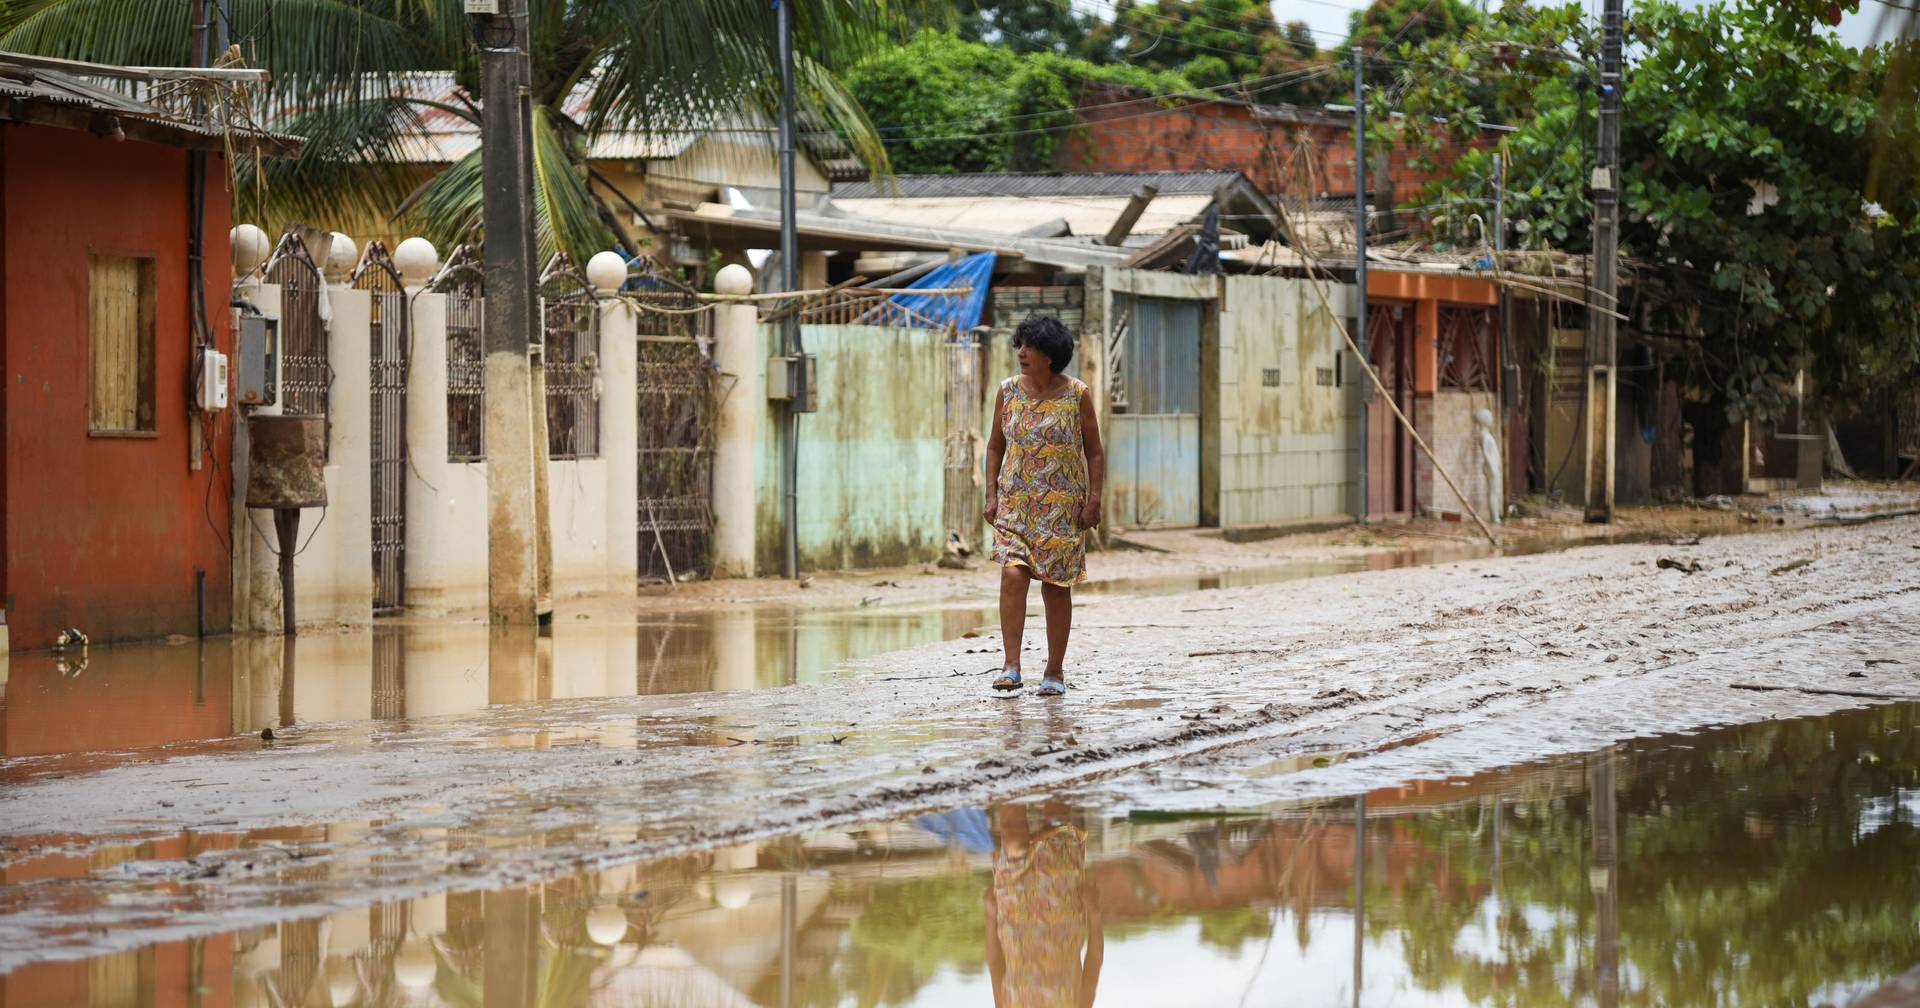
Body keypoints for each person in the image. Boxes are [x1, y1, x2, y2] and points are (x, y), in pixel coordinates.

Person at [984, 315, 1106, 697]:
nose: (1020, 353)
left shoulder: (1077, 394)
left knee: (1056, 588)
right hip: (1016, 505)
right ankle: (1011, 666)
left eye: (1029, 347)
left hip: (1062, 509)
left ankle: (1054, 671)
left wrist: (1094, 500)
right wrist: (991, 493)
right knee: (1013, 575)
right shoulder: (1007, 392)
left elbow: (1095, 452)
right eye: (1019, 345)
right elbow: (994, 446)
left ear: (1050, 355)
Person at [984, 801, 1104, 1008]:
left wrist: (990, 917)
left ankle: (1008, 775)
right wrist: (1094, 913)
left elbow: (995, 966)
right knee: (1057, 820)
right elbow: (1094, 959)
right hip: (1061, 904)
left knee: (1013, 840)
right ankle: (1057, 772)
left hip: (1015, 911)